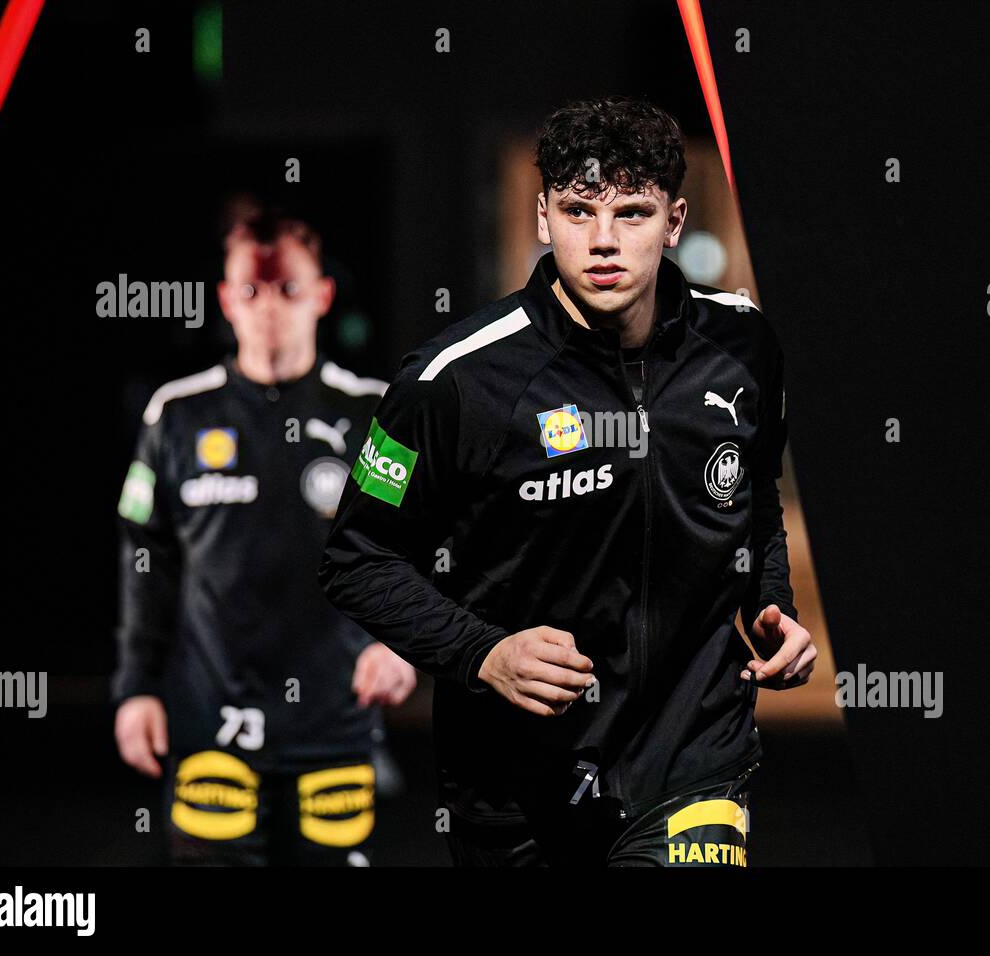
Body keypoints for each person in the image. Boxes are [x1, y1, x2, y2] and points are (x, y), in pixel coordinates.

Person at [319, 97, 816, 867]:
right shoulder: (453, 381)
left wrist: (770, 602)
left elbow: (748, 506)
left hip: (691, 756)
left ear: (676, 221)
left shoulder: (743, 343)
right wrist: (483, 652)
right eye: (579, 211)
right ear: (544, 217)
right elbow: (356, 559)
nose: (605, 240)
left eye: (633, 212)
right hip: (516, 784)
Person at [113, 205, 417, 865]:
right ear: (226, 298)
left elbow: (416, 547)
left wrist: (402, 646)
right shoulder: (177, 413)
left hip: (335, 725)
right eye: (250, 288)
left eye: (288, 287)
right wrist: (135, 687)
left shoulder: (372, 413)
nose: (269, 306)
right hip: (207, 726)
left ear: (323, 295)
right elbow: (146, 561)